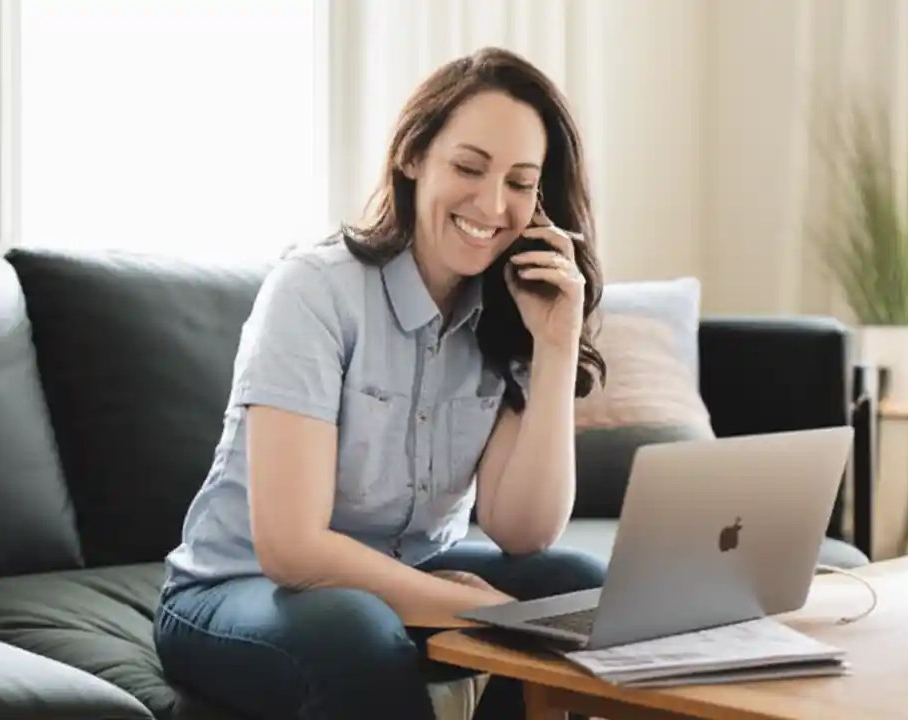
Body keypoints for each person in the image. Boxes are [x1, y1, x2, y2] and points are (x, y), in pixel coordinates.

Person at [154, 46, 609, 720]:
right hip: (241, 593)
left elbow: (525, 531)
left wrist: (555, 341)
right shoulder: (313, 291)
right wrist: (476, 606)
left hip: (407, 580)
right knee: (358, 632)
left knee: (582, 591)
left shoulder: (513, 308)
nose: (492, 203)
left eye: (519, 182)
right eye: (468, 167)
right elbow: (293, 550)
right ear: (413, 157)